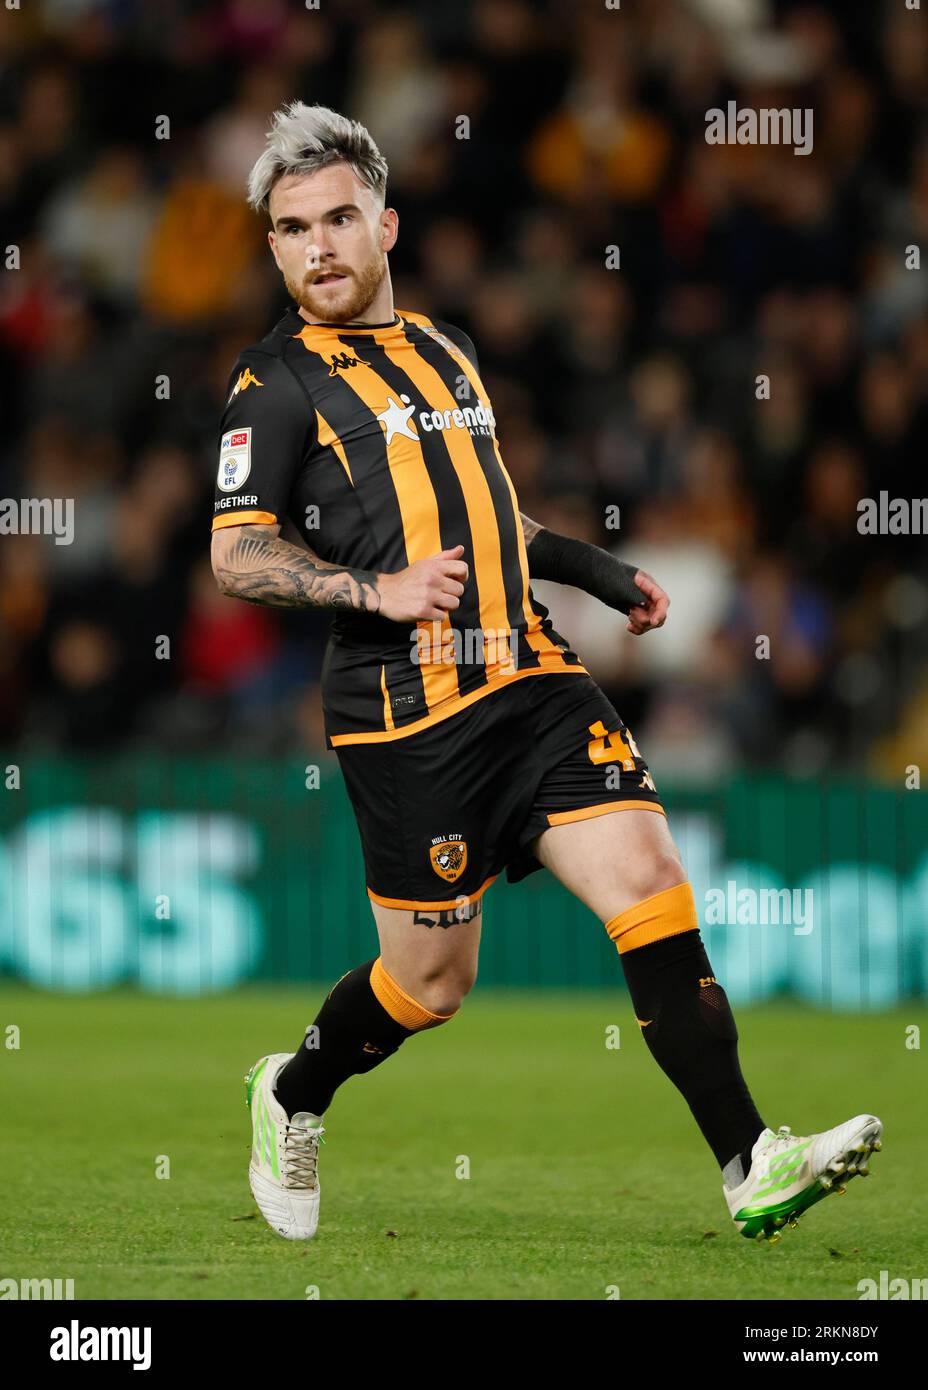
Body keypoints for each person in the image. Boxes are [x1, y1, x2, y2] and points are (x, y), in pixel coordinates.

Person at [210, 102, 881, 1244]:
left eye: (336, 219)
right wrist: (373, 590)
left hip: (534, 679)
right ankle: (292, 1090)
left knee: (648, 878)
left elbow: (494, 517)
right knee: (429, 984)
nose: (315, 246)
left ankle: (748, 1159)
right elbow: (236, 550)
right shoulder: (272, 385)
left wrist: (597, 570)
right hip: (404, 716)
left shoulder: (447, 350)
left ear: (387, 224)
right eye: (289, 229)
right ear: (272, 246)